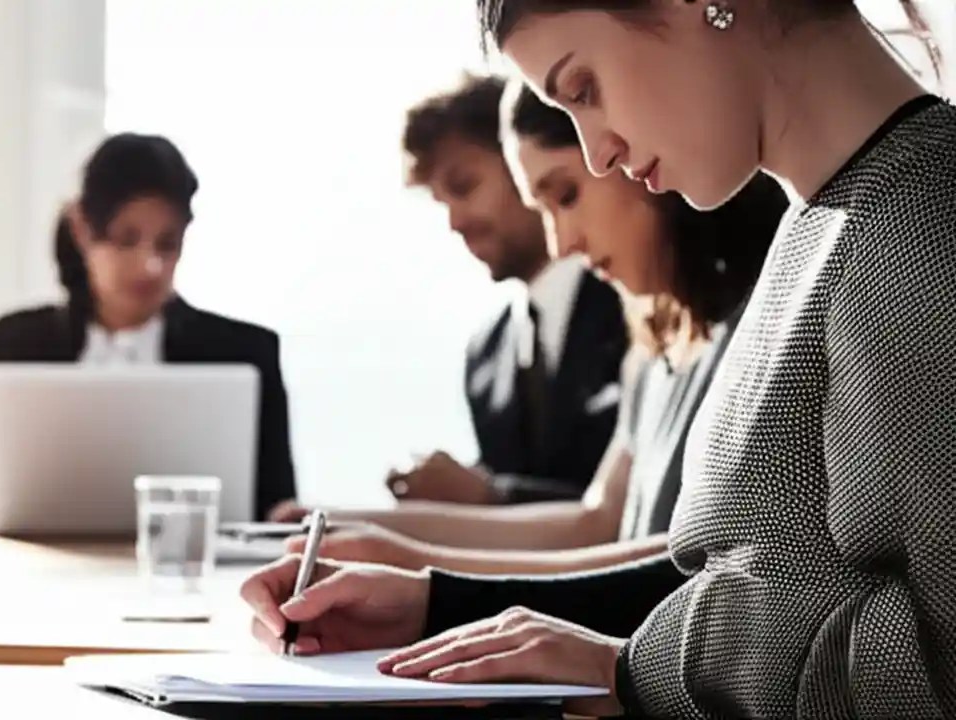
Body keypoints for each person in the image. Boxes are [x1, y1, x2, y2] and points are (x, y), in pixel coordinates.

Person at [242, 1, 956, 716]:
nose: (598, 155)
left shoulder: (921, 229)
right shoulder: (822, 225)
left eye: (584, 88)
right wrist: (443, 605)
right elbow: (753, 583)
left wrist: (630, 672)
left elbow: (937, 663)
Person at [289, 82, 789, 579]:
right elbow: (598, 523)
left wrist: (423, 574)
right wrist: (359, 535)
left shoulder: (763, 324)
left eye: (566, 196)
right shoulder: (650, 348)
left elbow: (706, 561)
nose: (562, 244)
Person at [275, 74, 627, 518]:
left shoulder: (635, 306)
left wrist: (492, 495)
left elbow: (632, 509)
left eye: (464, 187)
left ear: (521, 162)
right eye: (442, 203)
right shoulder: (486, 354)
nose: (455, 223)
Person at [0, 133, 296, 521]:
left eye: (168, 243)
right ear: (81, 229)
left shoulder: (245, 353)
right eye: (127, 240)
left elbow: (276, 509)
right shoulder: (17, 344)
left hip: (191, 559)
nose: (151, 266)